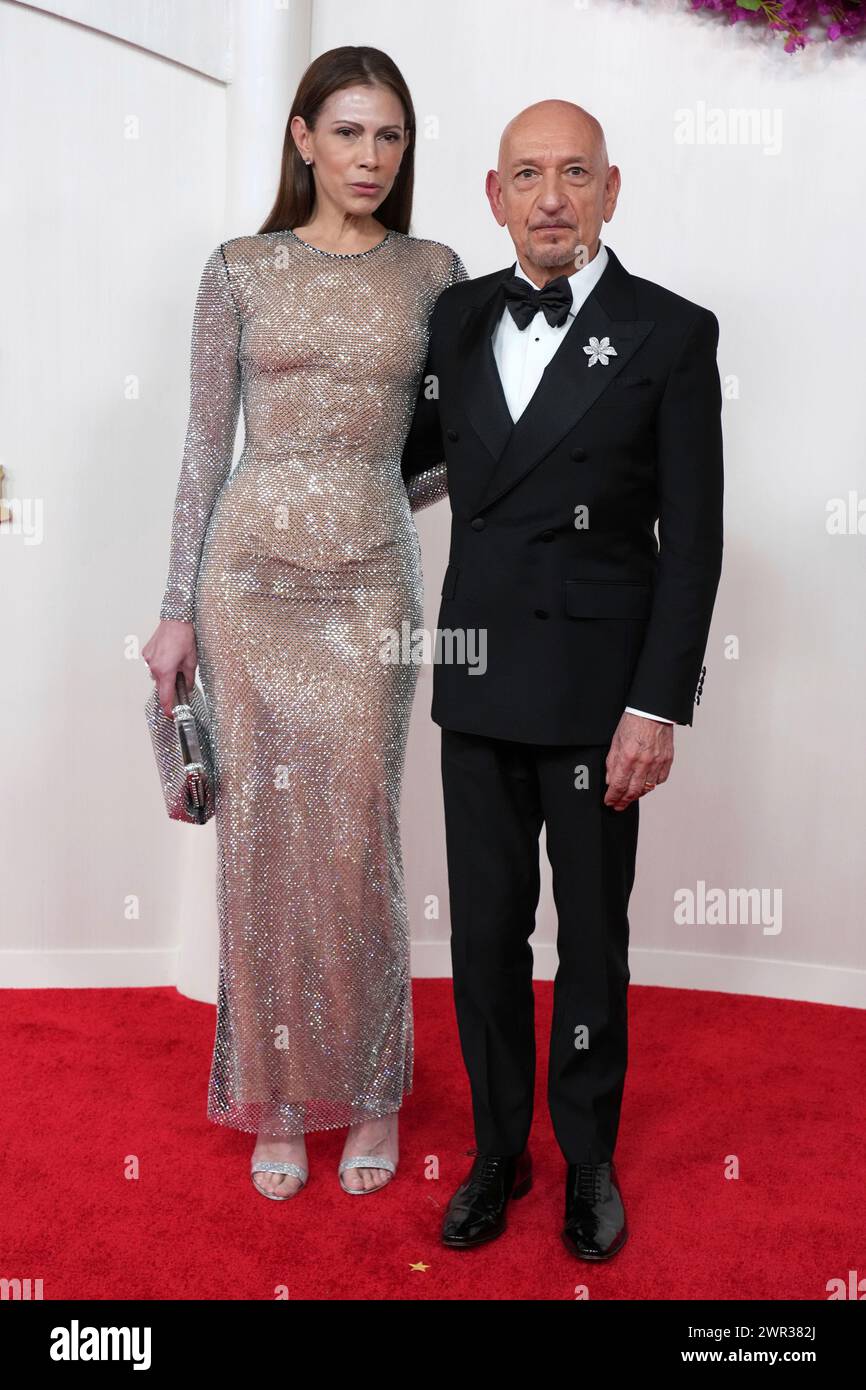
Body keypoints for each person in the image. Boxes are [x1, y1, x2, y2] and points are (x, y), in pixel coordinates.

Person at [142, 45, 466, 1199]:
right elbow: (200, 448)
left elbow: (448, 449)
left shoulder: (433, 271)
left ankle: (374, 1086)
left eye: (388, 136)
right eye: (347, 133)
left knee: (355, 833)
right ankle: (278, 1100)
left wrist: (369, 488)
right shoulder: (238, 268)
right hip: (247, 585)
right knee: (264, 847)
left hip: (371, 583)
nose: (369, 157)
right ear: (301, 139)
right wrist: (176, 608)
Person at [401, 100, 723, 1257]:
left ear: (610, 189)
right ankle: (498, 1154)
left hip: (598, 699)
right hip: (475, 677)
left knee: (590, 938)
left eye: (572, 173)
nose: (549, 196)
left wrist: (655, 704)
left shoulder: (670, 332)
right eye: (525, 174)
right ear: (492, 195)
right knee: (483, 936)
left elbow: (691, 540)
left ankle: (586, 1157)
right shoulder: (452, 316)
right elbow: (400, 466)